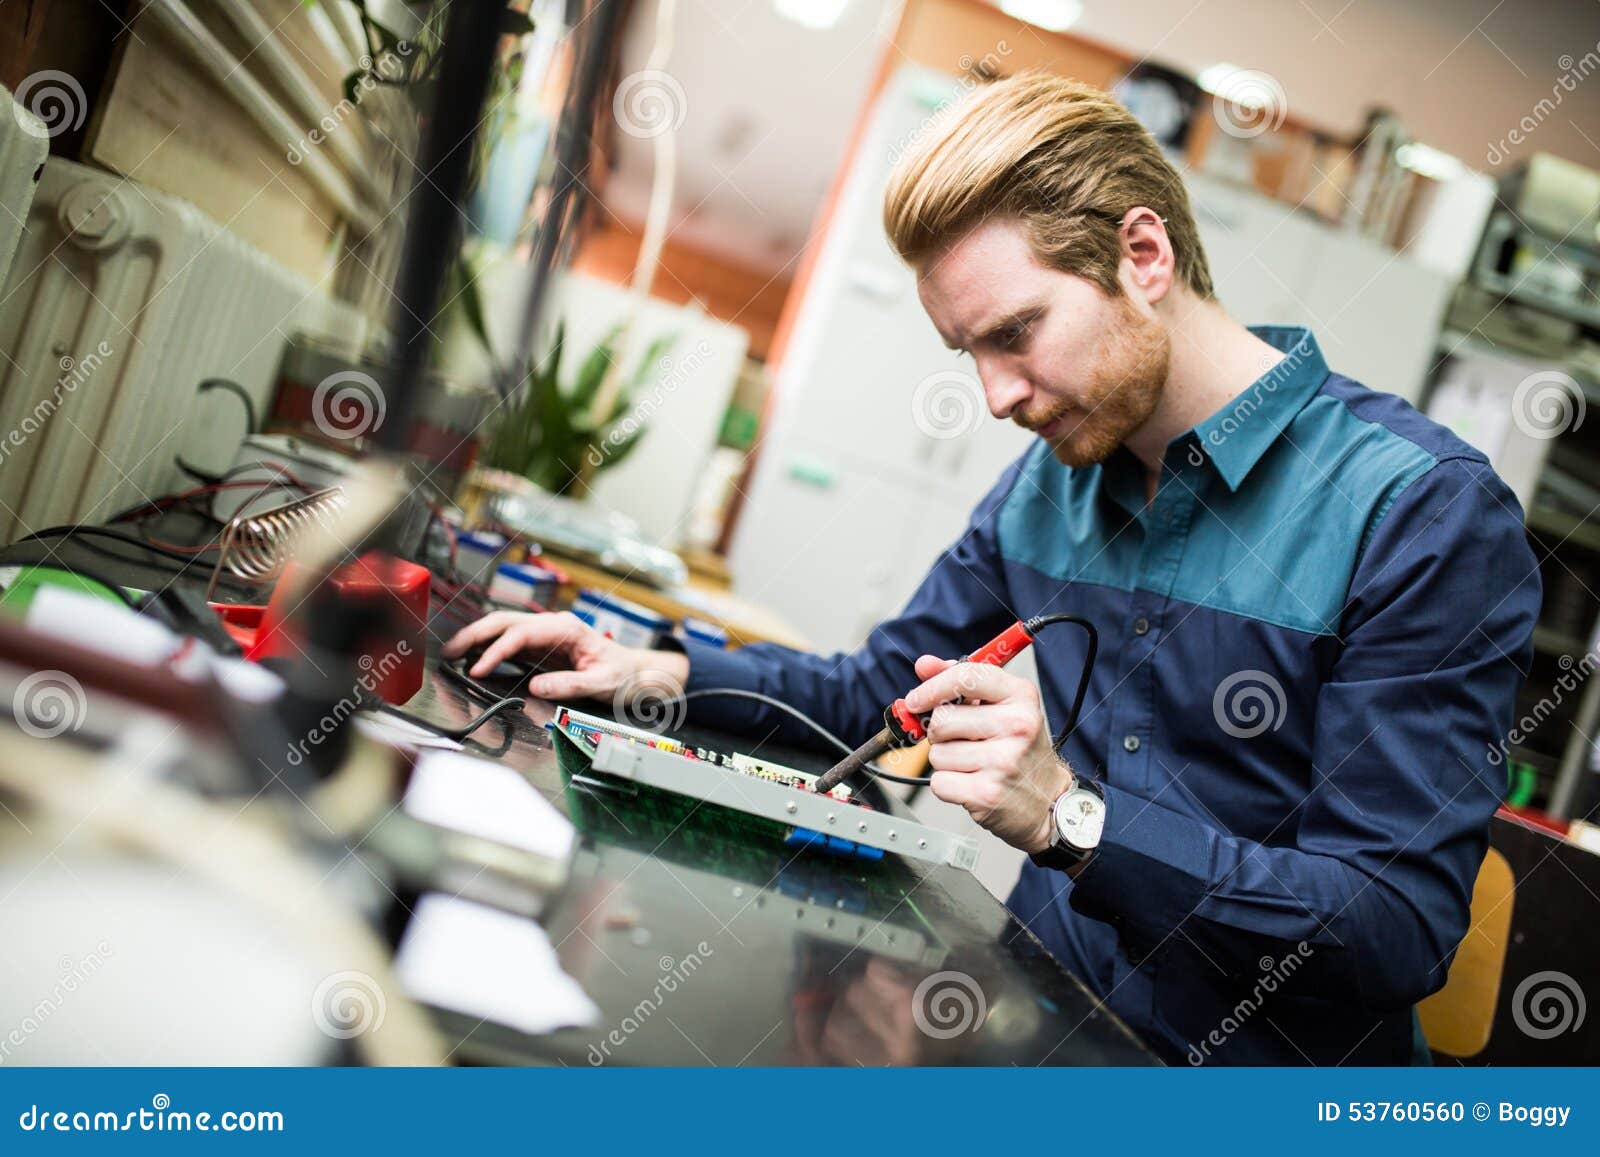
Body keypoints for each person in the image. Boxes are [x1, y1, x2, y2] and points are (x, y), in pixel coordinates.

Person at [444, 73, 1540, 1065]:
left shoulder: (1422, 513)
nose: (996, 396)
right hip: (1031, 1029)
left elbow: (1388, 928)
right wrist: (647, 669)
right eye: (969, 351)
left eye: (1017, 331)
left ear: (1141, 256)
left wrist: (1073, 821)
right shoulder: (1051, 481)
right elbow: (882, 690)